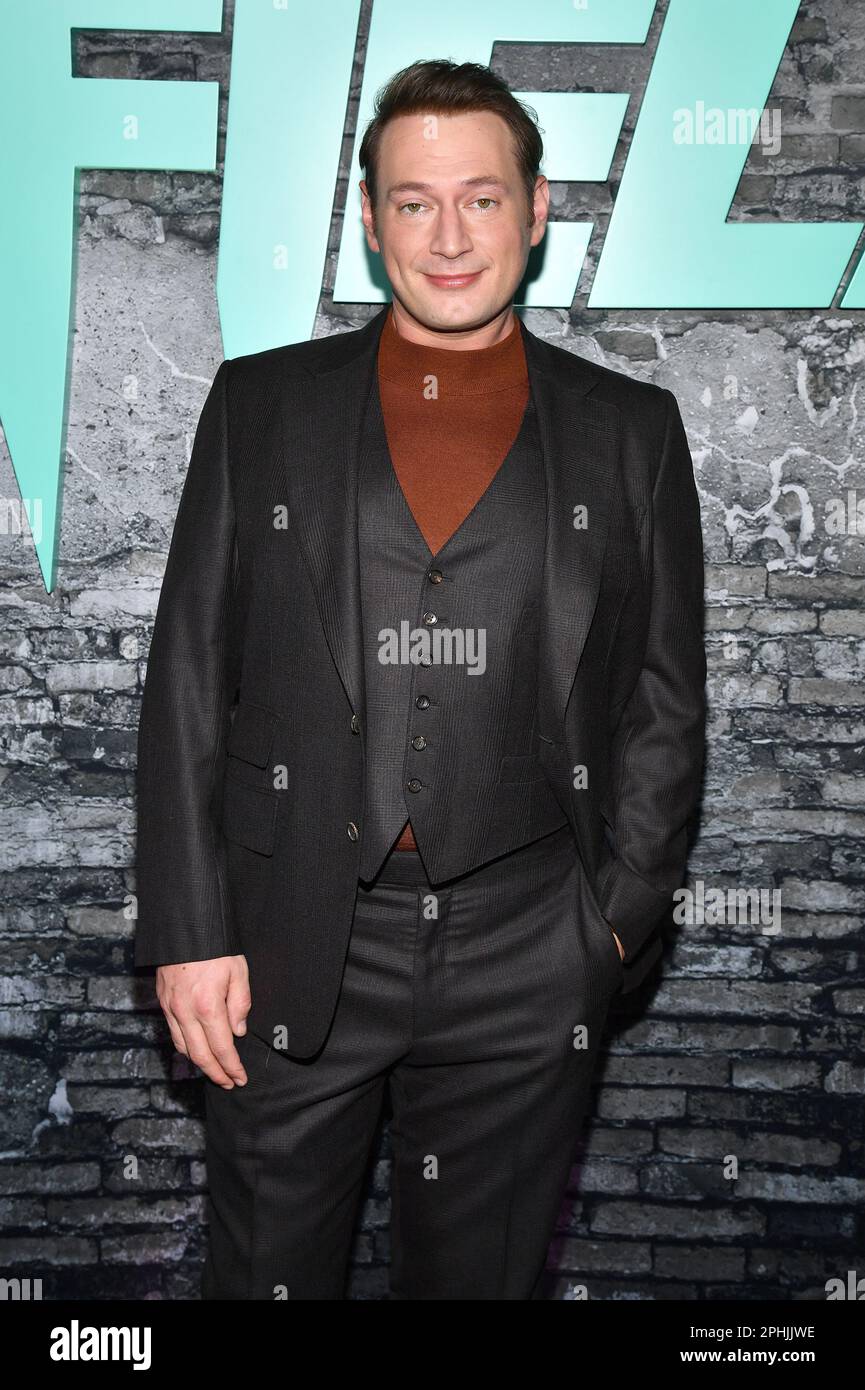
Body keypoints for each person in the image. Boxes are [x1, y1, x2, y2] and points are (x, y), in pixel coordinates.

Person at [134, 58, 707, 1300]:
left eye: (482, 198)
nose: (448, 236)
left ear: (538, 208)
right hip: (287, 943)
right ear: (370, 219)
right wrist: (187, 933)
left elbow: (664, 699)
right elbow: (188, 680)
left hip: (529, 945)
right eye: (413, 202)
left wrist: (608, 923)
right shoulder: (259, 407)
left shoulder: (630, 430)